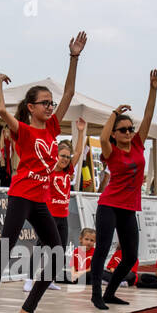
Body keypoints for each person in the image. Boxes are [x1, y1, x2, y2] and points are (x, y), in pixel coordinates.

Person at [0, 32, 88, 313]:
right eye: (44, 103)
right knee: (4, 249)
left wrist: (74, 58)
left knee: (56, 249)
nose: (51, 107)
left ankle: (28, 309)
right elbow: (1, 111)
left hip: (40, 199)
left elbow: (68, 94)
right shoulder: (24, 130)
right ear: (30, 106)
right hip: (21, 196)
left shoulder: (52, 128)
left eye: (51, 103)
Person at [91, 71, 157, 310]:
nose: (129, 132)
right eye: (123, 130)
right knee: (102, 249)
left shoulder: (138, 144)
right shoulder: (111, 151)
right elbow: (101, 136)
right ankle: (96, 294)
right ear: (114, 134)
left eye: (130, 128)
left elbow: (149, 116)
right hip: (109, 205)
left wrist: (152, 90)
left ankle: (110, 293)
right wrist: (113, 114)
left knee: (130, 256)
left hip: (129, 208)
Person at [44, 121, 88, 285]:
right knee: (41, 248)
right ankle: (30, 279)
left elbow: (78, 152)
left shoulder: (68, 171)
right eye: (62, 156)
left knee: (59, 250)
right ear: (55, 155)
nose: (65, 159)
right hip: (48, 216)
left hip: (63, 216)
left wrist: (80, 132)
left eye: (67, 157)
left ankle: (49, 280)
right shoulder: (48, 171)